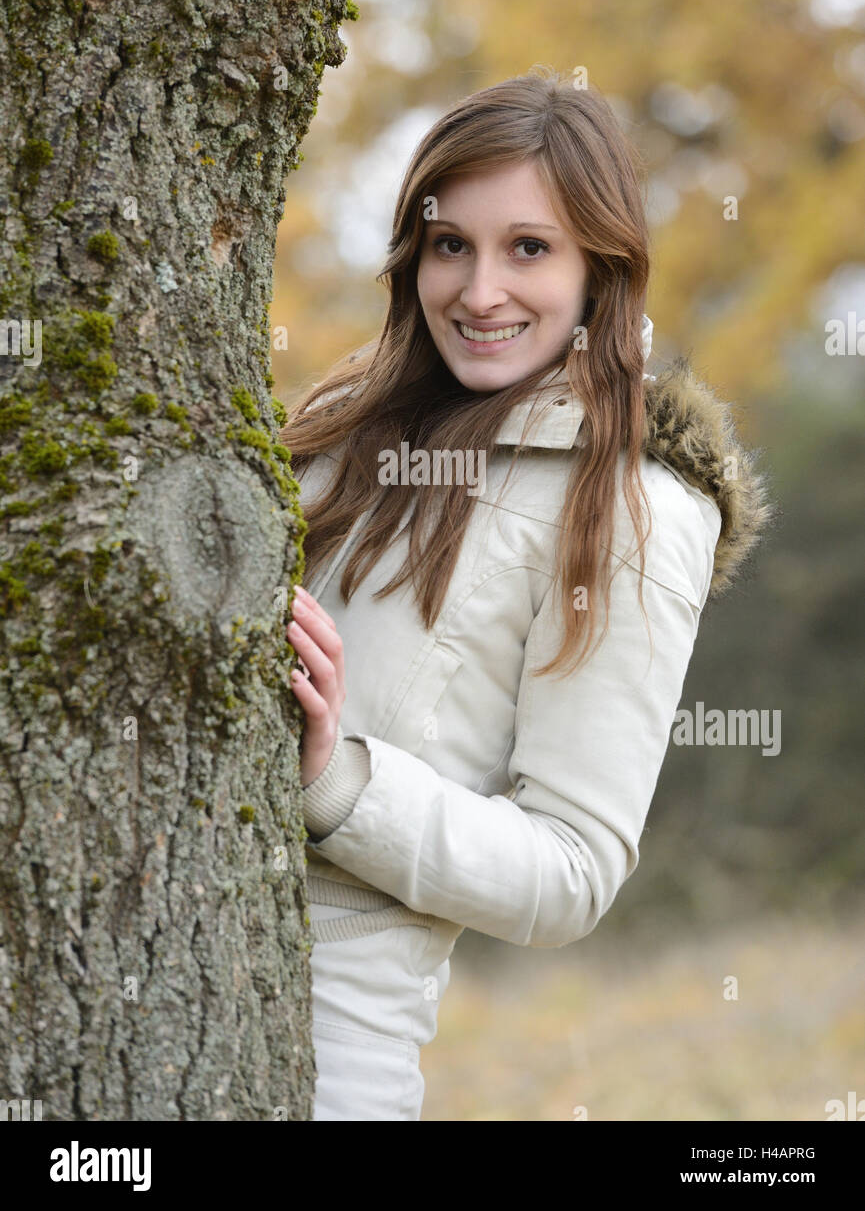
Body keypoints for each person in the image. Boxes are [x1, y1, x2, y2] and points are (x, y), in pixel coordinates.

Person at [278, 68, 773, 1121]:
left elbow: (572, 869)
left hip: (325, 1053)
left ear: (602, 266)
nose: (479, 290)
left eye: (529, 249)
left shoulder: (633, 509)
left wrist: (341, 784)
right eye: (450, 243)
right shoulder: (337, 427)